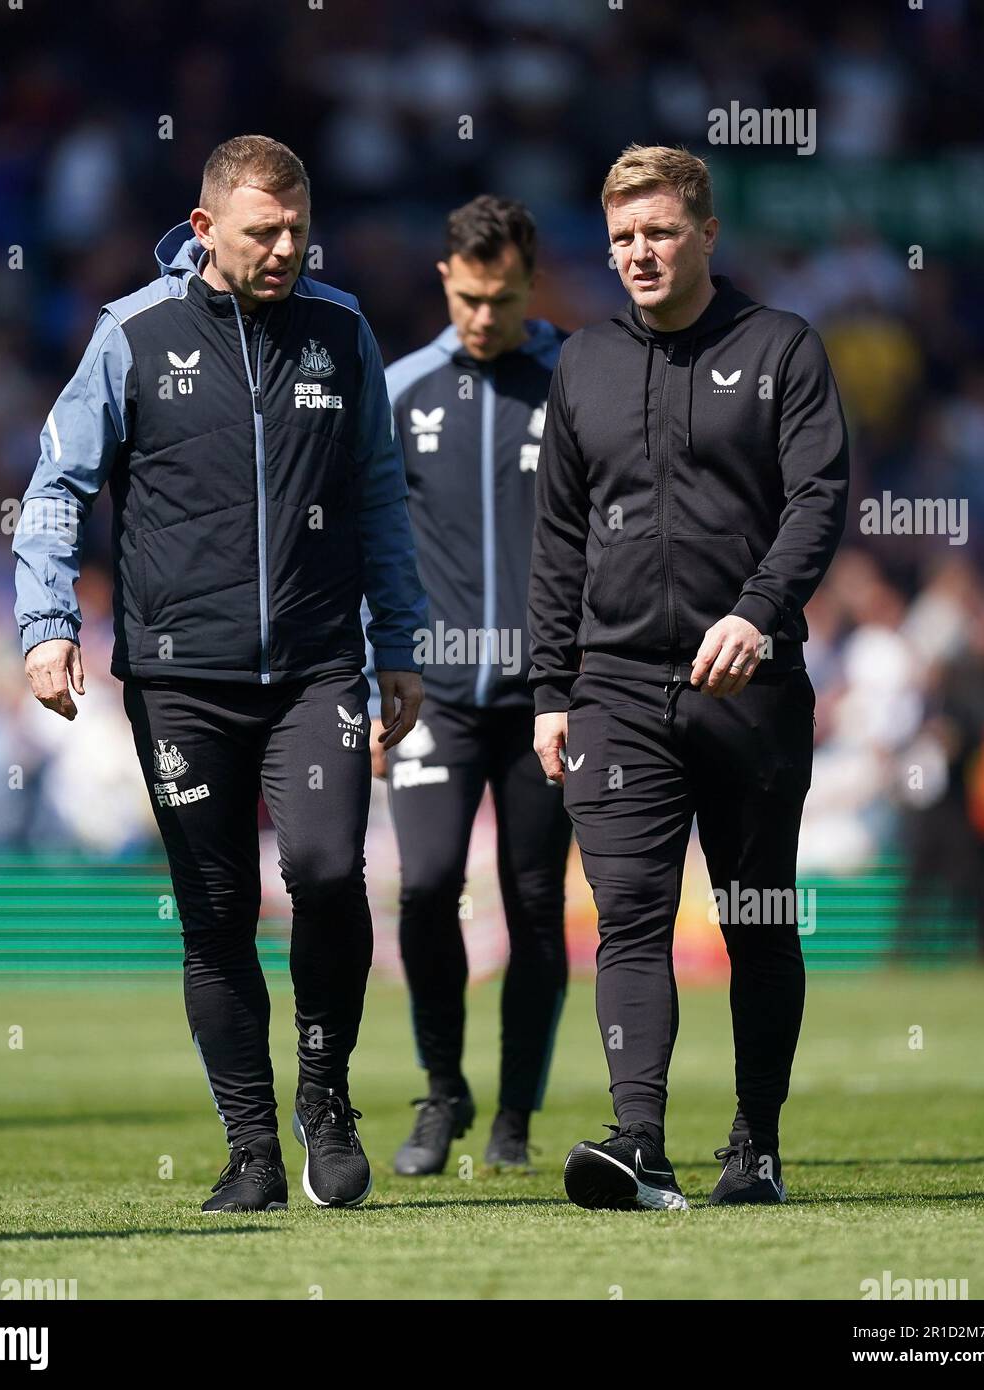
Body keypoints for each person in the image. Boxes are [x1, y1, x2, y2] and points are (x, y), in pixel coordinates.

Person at [13, 135, 428, 1212]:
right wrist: (46, 621)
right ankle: (250, 1149)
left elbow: (382, 495)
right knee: (215, 910)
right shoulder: (131, 336)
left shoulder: (342, 330)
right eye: (263, 230)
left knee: (331, 873)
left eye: (298, 227)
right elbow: (57, 484)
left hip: (318, 665)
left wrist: (404, 646)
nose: (287, 245)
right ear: (204, 230)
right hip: (178, 676)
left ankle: (325, 1095)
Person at [528, 144, 849, 1211]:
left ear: (707, 233)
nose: (639, 253)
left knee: (757, 915)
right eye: (622, 237)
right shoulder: (583, 363)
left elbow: (818, 502)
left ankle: (754, 1144)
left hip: (748, 690)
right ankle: (638, 1141)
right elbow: (559, 538)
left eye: (659, 232)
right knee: (627, 914)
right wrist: (548, 688)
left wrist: (758, 615)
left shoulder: (782, 348)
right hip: (615, 687)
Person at [366, 196, 572, 1175]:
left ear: (530, 283)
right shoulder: (401, 389)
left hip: (546, 695)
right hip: (433, 692)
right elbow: (369, 540)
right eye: (467, 296)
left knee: (535, 900)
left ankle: (515, 1118)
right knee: (429, 886)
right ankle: (442, 1092)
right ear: (445, 278)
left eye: (501, 298)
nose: (483, 317)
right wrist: (376, 671)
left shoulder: (575, 381)